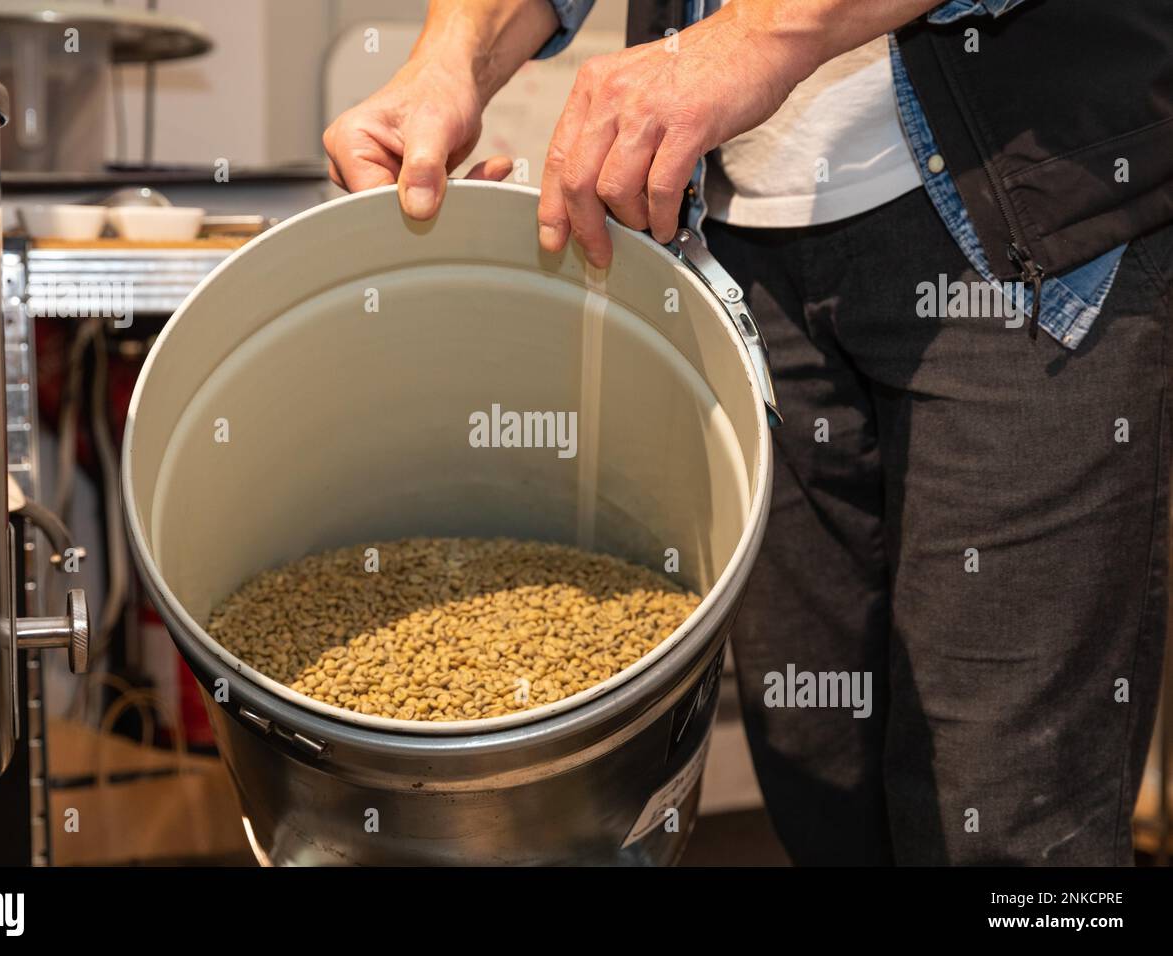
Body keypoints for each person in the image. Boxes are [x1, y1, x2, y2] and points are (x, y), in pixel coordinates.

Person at [324, 0, 1173, 865]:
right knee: (819, 779)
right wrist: (450, 59)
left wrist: (752, 35)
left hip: (1013, 227)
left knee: (1005, 824)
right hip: (742, 260)